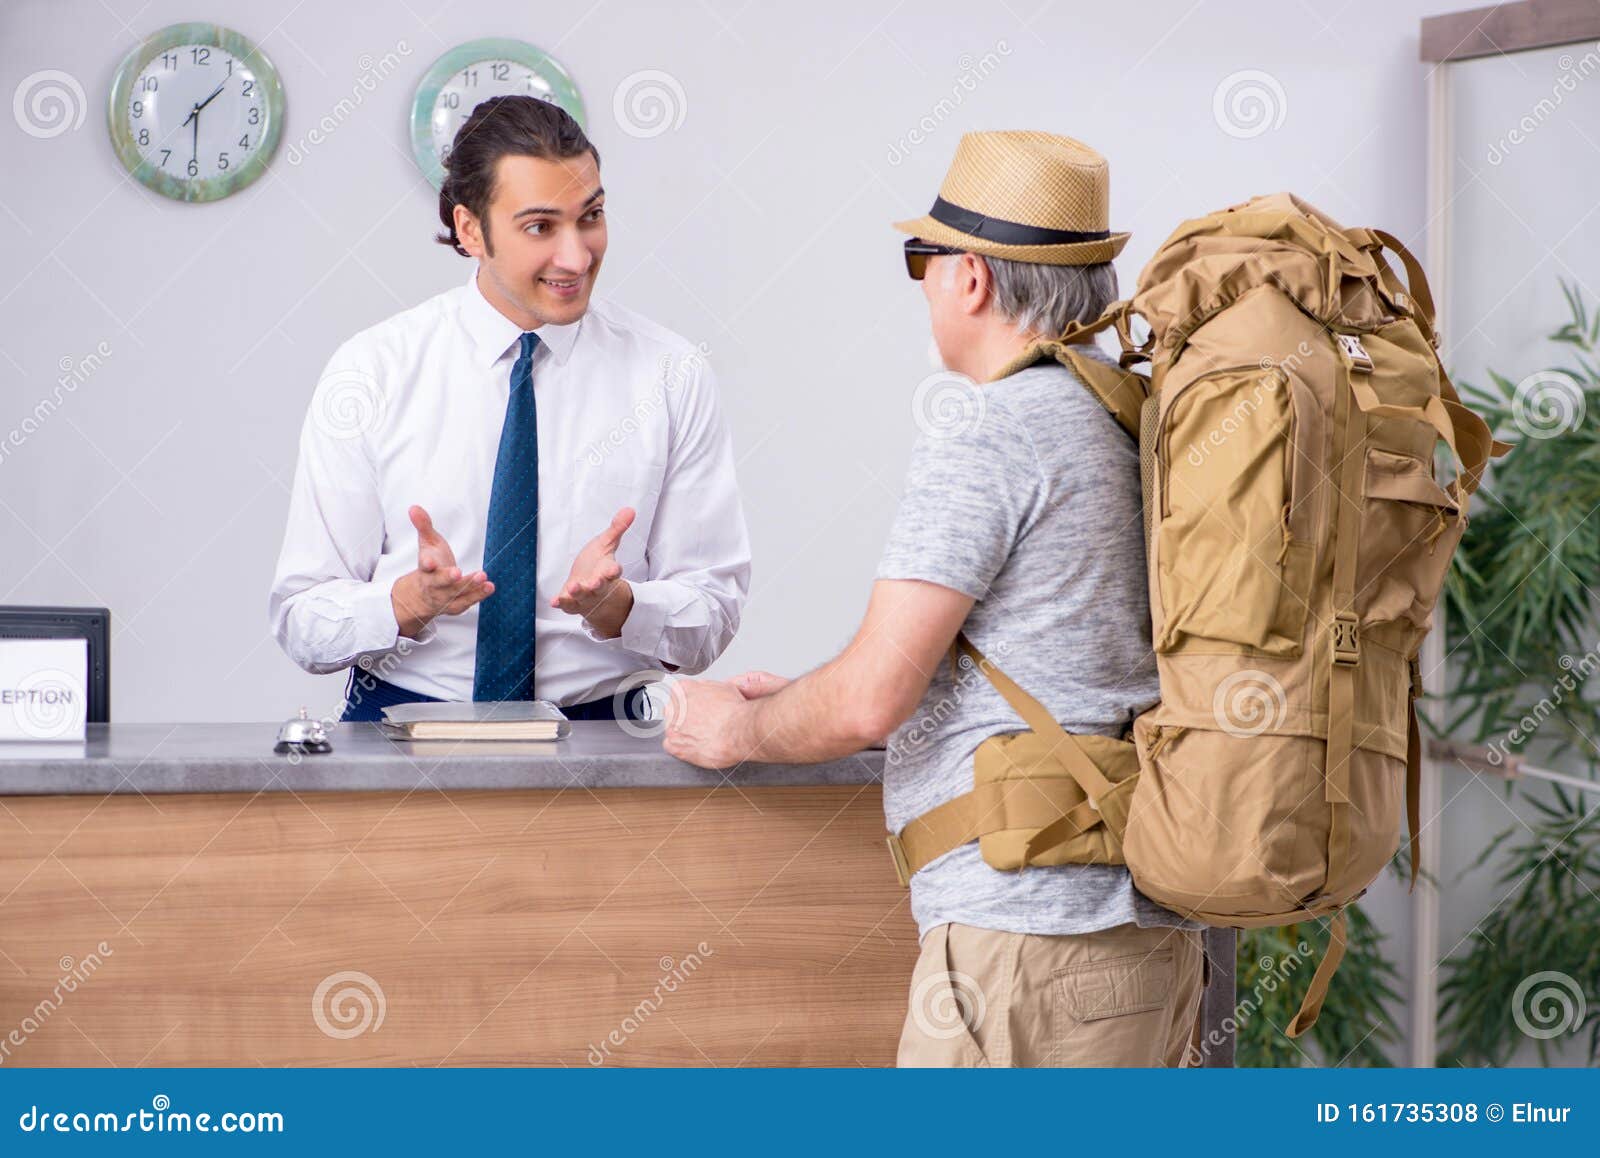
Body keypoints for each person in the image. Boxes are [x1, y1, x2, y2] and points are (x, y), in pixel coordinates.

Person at [663, 131, 1204, 1066]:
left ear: (972, 282)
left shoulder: (992, 429)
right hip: (1148, 940)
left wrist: (739, 731)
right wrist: (802, 701)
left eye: (924, 258)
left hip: (1023, 950)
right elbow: (1053, 657)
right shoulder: (1131, 421)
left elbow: (877, 692)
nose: (919, 282)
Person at [268, 96, 749, 721]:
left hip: (608, 737)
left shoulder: (671, 375)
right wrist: (409, 602)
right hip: (402, 732)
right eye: (540, 227)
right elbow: (301, 619)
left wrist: (620, 607)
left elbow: (713, 616)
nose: (576, 257)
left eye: (592, 216)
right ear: (471, 231)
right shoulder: (372, 372)